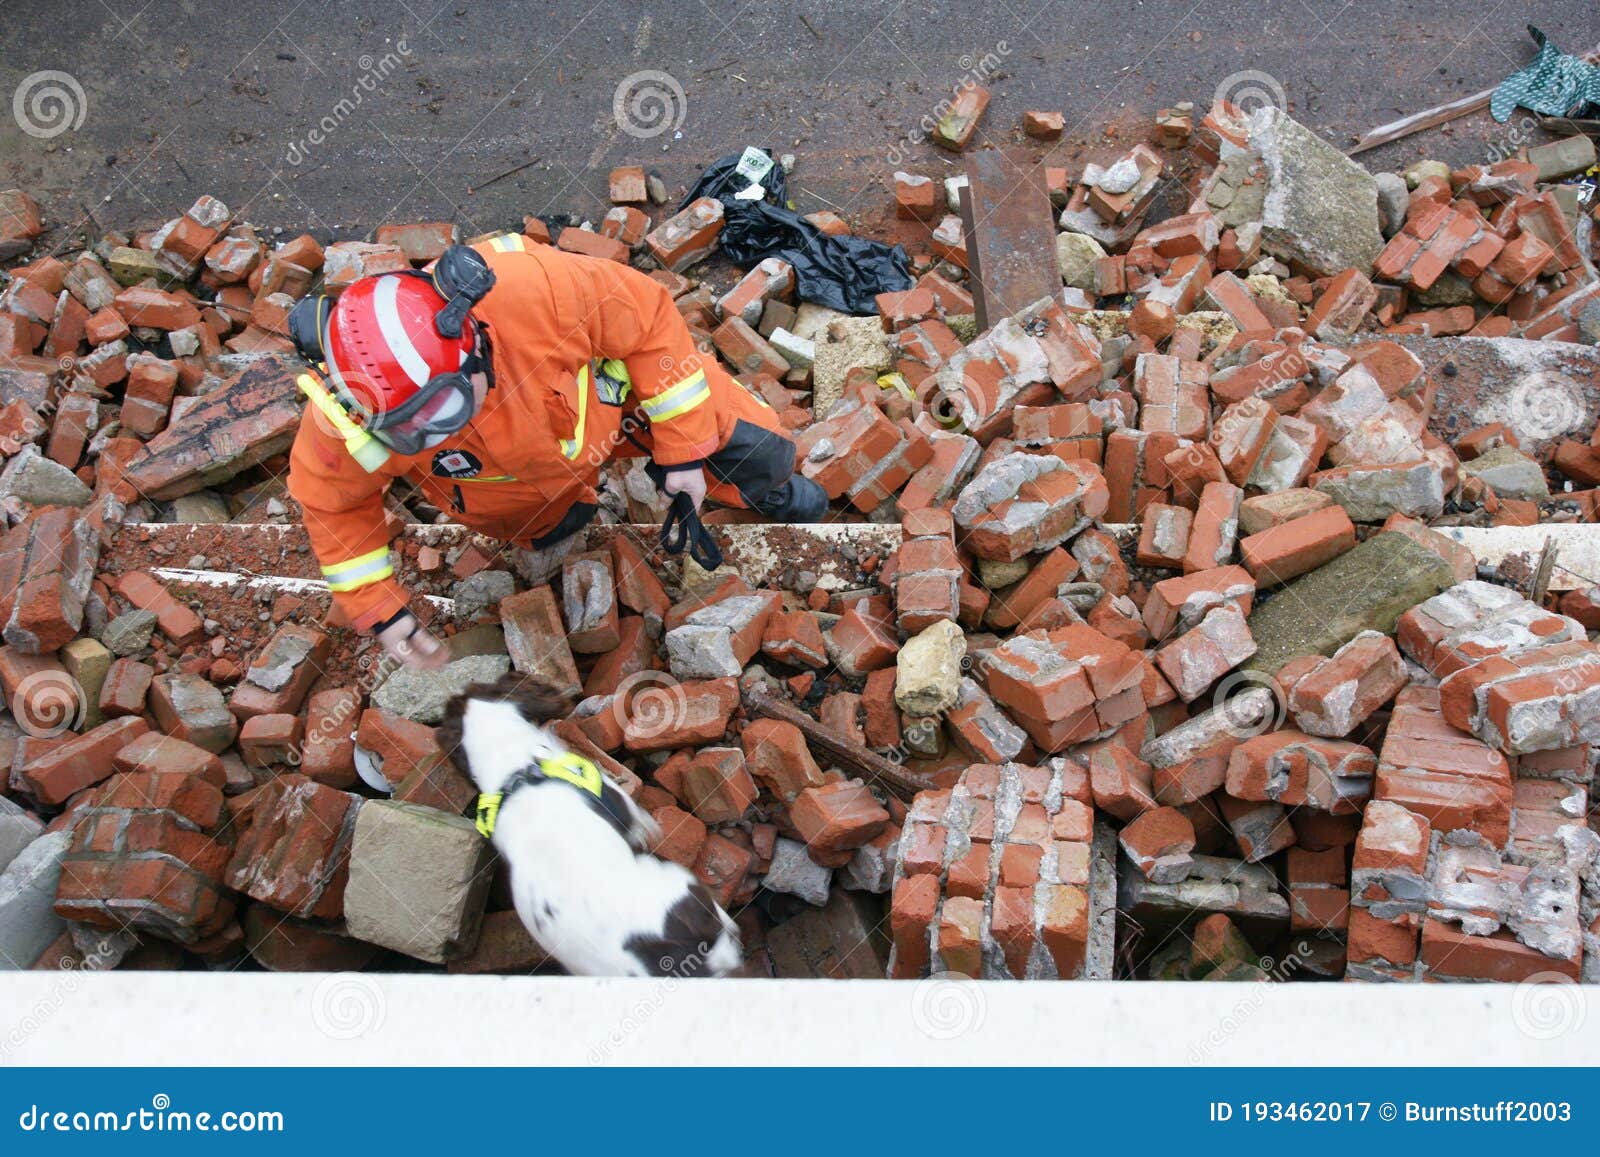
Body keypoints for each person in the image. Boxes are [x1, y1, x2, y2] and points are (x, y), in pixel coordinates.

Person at [285, 233, 826, 669]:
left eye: (444, 408)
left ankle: (761, 489)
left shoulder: (531, 289)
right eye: (412, 430)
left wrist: (683, 449)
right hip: (501, 488)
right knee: (547, 530)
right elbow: (331, 505)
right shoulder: (347, 414)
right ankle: (562, 512)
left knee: (752, 441)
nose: (437, 430)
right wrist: (379, 609)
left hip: (607, 410)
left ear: (470, 341)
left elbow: (649, 320)